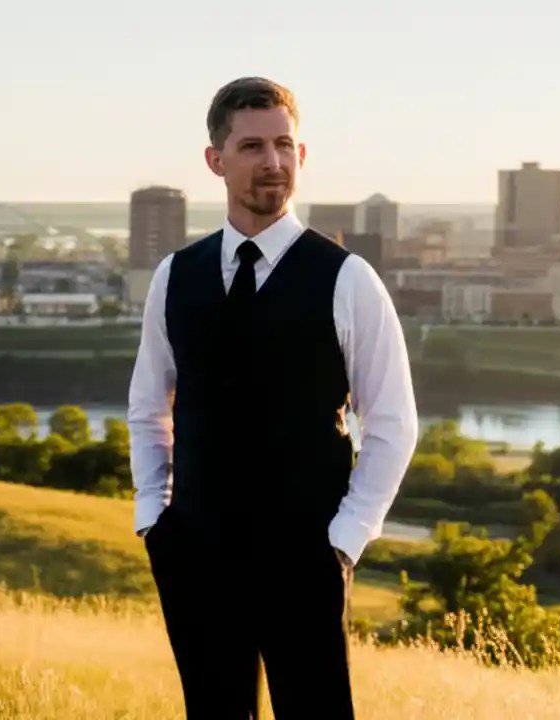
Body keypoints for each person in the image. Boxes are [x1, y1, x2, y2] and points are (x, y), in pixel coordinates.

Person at [127, 76, 419, 719]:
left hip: (306, 555)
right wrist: (155, 516)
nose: (273, 163)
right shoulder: (175, 276)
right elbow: (149, 407)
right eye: (253, 146)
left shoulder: (347, 279)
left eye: (285, 145)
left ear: (302, 155)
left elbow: (394, 422)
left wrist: (344, 540)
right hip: (195, 550)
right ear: (216, 160)